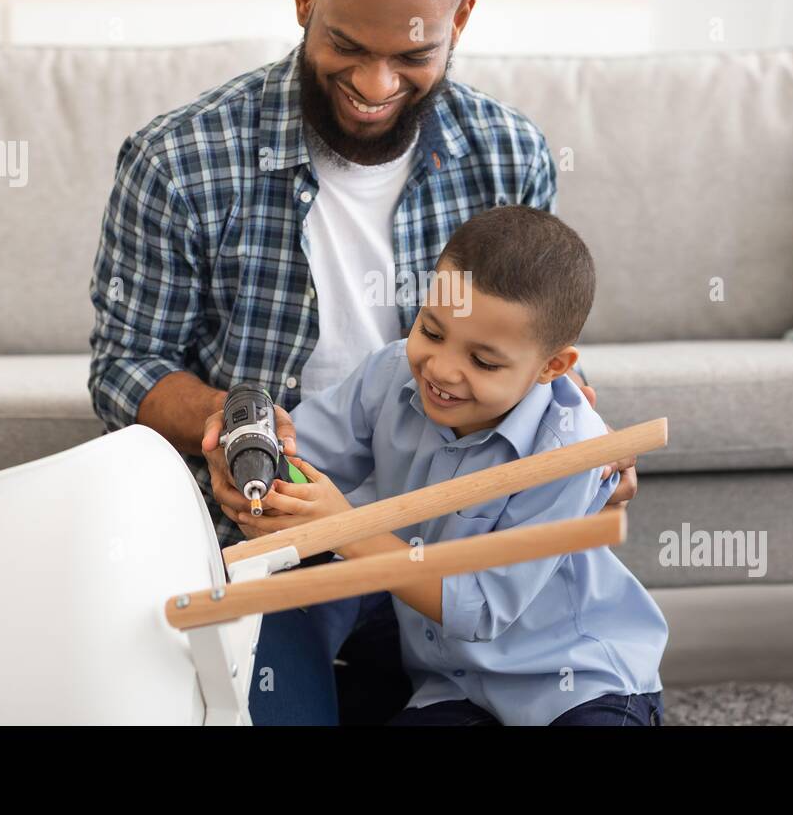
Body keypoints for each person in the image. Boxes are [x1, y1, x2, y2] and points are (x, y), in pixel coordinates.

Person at [89, 0, 639, 724]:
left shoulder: (510, 155)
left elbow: (532, 344)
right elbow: (124, 367)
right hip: (282, 539)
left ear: (459, 22)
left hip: (453, 555)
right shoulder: (180, 161)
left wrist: (584, 449)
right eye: (348, 44)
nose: (377, 84)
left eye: (413, 56)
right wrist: (232, 421)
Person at [234, 206, 668, 726]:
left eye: (483, 362)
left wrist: (343, 527)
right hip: (451, 682)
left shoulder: (571, 449)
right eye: (432, 331)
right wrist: (268, 479)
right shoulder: (392, 372)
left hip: (577, 682)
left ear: (552, 367)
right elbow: (298, 459)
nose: (440, 369)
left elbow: (481, 608)